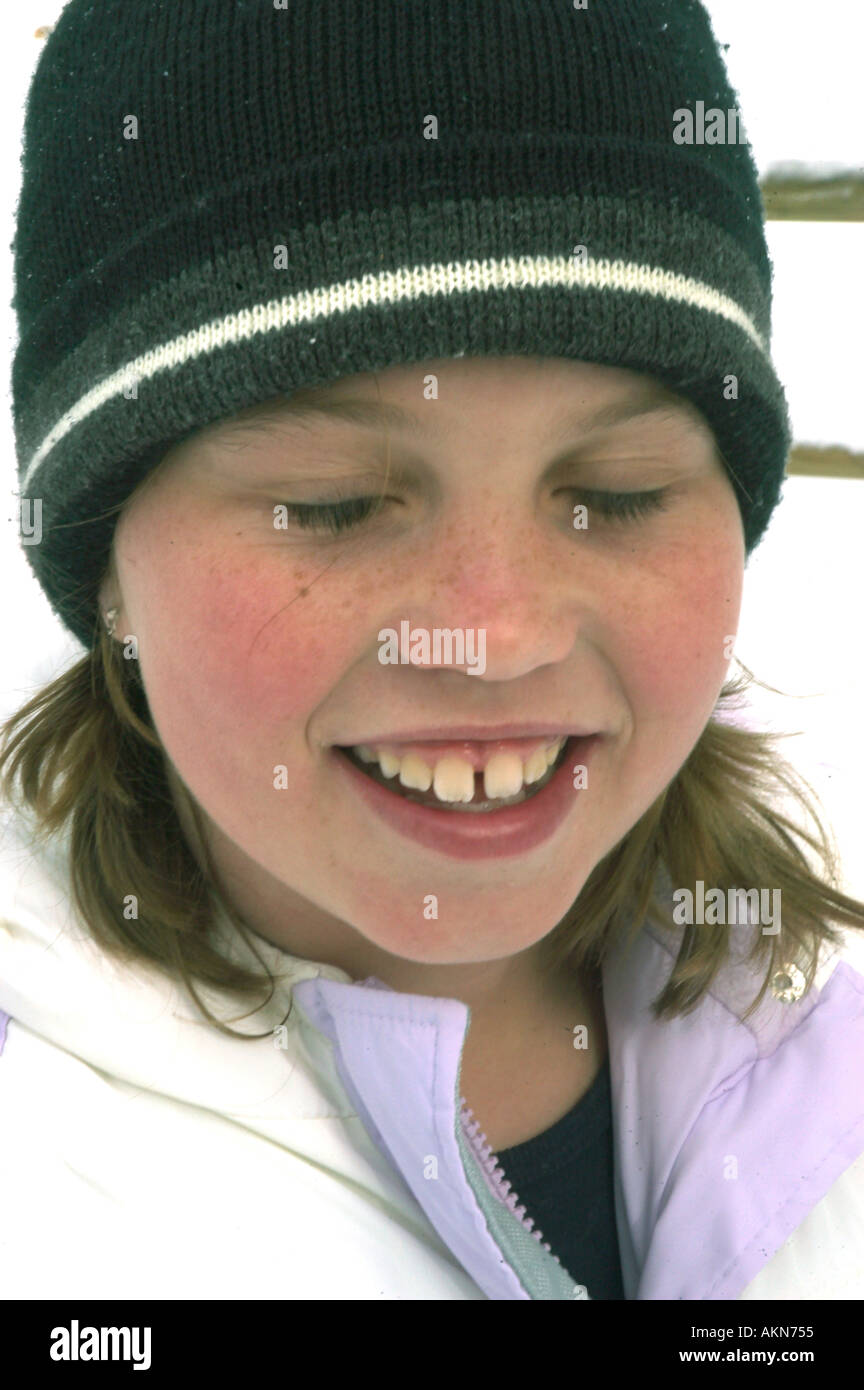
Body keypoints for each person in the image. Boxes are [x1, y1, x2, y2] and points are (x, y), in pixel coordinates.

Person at [1, 0, 862, 1301]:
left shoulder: (819, 989)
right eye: (333, 504)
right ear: (108, 566)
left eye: (616, 492)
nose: (496, 634)